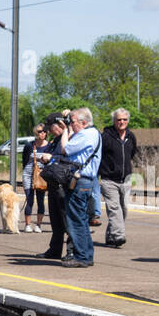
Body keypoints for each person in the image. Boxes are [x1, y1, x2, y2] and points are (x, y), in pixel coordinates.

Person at [40, 105, 101, 267]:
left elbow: (65, 148)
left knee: (76, 220)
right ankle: (86, 255)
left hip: (80, 181)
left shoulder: (87, 134)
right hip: (84, 180)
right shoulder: (91, 133)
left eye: (73, 122)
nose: (71, 124)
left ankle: (82, 257)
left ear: (83, 122)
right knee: (80, 219)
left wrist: (66, 129)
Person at [99, 108, 138, 247]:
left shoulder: (131, 136)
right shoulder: (106, 137)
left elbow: (132, 154)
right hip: (109, 180)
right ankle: (119, 235)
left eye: (124, 119)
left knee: (124, 209)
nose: (122, 122)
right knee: (115, 210)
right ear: (114, 121)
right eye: (119, 119)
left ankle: (110, 236)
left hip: (125, 180)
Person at [36, 114, 70, 259]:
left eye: (51, 128)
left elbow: (69, 156)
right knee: (55, 219)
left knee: (66, 219)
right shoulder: (55, 140)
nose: (49, 131)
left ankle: (72, 251)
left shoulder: (70, 138)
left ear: (59, 124)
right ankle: (55, 250)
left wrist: (52, 158)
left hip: (64, 184)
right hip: (53, 183)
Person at [22, 124, 48, 232]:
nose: (42, 133)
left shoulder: (49, 146)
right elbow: (24, 161)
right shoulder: (29, 145)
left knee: (41, 200)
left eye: (44, 131)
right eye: (40, 131)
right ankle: (27, 225)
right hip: (29, 175)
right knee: (30, 199)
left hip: (42, 176)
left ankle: (38, 225)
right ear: (36, 133)